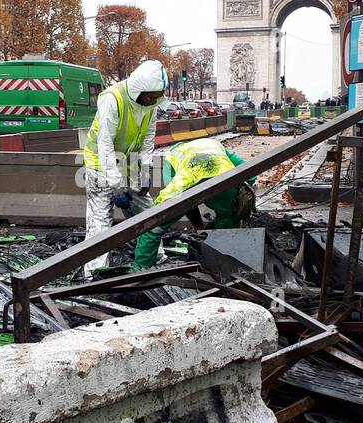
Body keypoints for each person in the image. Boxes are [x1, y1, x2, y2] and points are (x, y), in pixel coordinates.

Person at [82, 59, 165, 277]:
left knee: (146, 210)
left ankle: (156, 257)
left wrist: (146, 171)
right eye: (151, 97)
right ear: (140, 90)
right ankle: (94, 273)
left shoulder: (151, 105)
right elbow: (105, 143)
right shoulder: (113, 99)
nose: (154, 101)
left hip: (129, 163)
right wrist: (117, 186)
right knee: (100, 222)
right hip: (101, 164)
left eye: (157, 97)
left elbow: (148, 139)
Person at [133, 138, 255, 270]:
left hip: (187, 182)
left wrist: (196, 222)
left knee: (153, 226)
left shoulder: (172, 155)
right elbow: (249, 172)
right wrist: (242, 192)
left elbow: (180, 198)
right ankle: (226, 264)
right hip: (222, 177)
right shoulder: (212, 143)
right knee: (227, 219)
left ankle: (140, 270)